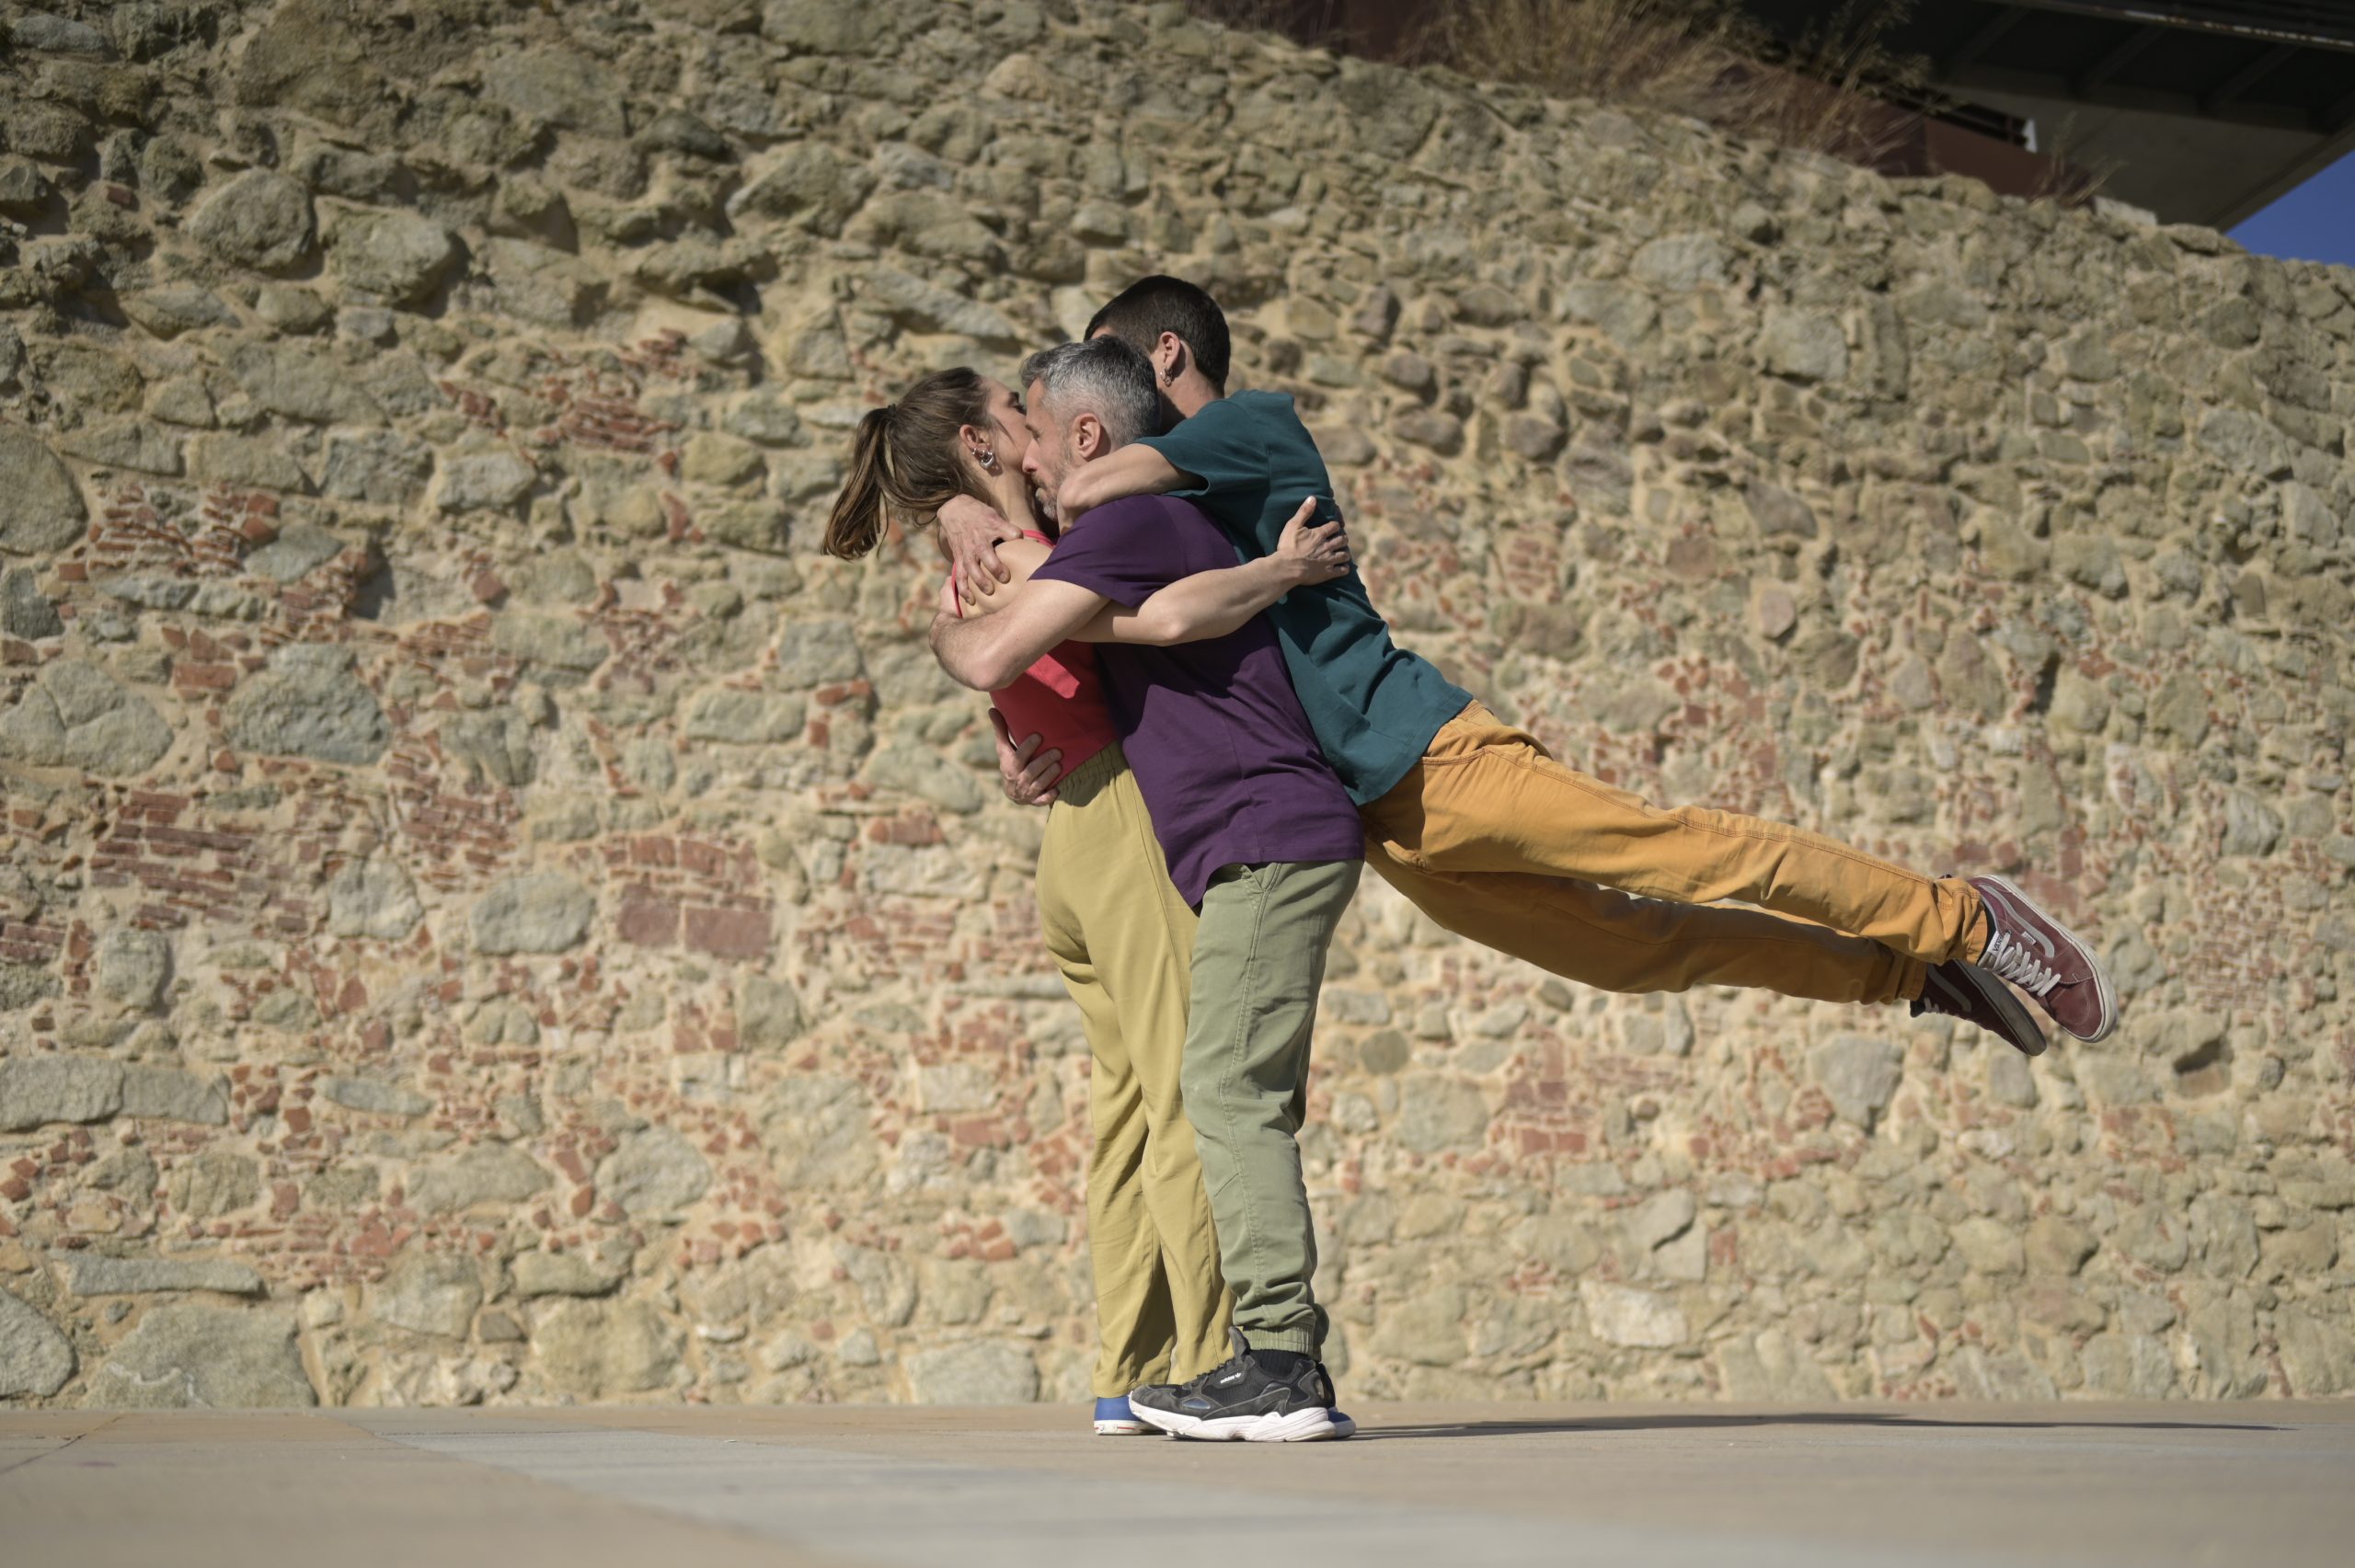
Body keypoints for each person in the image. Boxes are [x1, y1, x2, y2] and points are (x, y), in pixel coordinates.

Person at [940, 276, 2117, 1061]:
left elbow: (1086, 490)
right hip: (1376, 817)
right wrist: (965, 509)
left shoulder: (1251, 431)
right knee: (1633, 950)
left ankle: (1965, 917)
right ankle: (1907, 978)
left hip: (1431, 754)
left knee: (1687, 848)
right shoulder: (1162, 513)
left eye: (1072, 405)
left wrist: (1024, 494)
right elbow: (1100, 639)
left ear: (1158, 356)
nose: (1059, 446)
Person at [821, 366, 1350, 1435]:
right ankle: (1210, 1362)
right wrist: (1279, 569)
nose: (1034, 427)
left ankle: (1125, 1371)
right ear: (979, 442)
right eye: (1013, 417)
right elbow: (1150, 623)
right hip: (1117, 815)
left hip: (1067, 842)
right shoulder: (1029, 556)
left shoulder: (969, 566)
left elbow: (1013, 718)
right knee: (1181, 1094)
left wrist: (964, 507)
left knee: (1121, 1110)